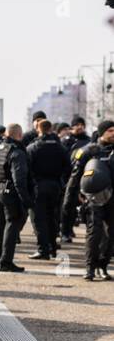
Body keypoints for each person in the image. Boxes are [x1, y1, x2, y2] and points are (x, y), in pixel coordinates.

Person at [72, 119, 114, 280]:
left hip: (112, 199)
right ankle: (90, 268)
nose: (113, 133)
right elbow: (75, 177)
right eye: (110, 130)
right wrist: (70, 202)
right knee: (94, 233)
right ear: (102, 132)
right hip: (93, 199)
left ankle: (103, 266)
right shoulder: (89, 151)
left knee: (111, 235)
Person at [0, 124, 32, 272]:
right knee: (12, 225)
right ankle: (6, 261)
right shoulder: (16, 152)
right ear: (19, 135)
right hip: (9, 193)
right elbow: (19, 179)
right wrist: (26, 199)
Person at [26, 120, 67, 261]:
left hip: (38, 186)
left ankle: (43, 249)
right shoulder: (60, 147)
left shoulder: (32, 148)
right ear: (51, 129)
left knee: (39, 219)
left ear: (38, 129)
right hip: (55, 185)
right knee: (52, 217)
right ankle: (53, 248)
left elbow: (27, 169)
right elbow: (68, 167)